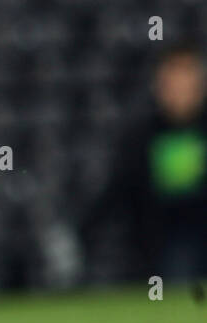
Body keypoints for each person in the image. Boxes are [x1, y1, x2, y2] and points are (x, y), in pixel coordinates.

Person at [76, 41, 207, 283]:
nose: (181, 87)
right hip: (164, 242)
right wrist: (83, 232)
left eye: (188, 76)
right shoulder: (142, 135)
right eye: (173, 78)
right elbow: (117, 187)